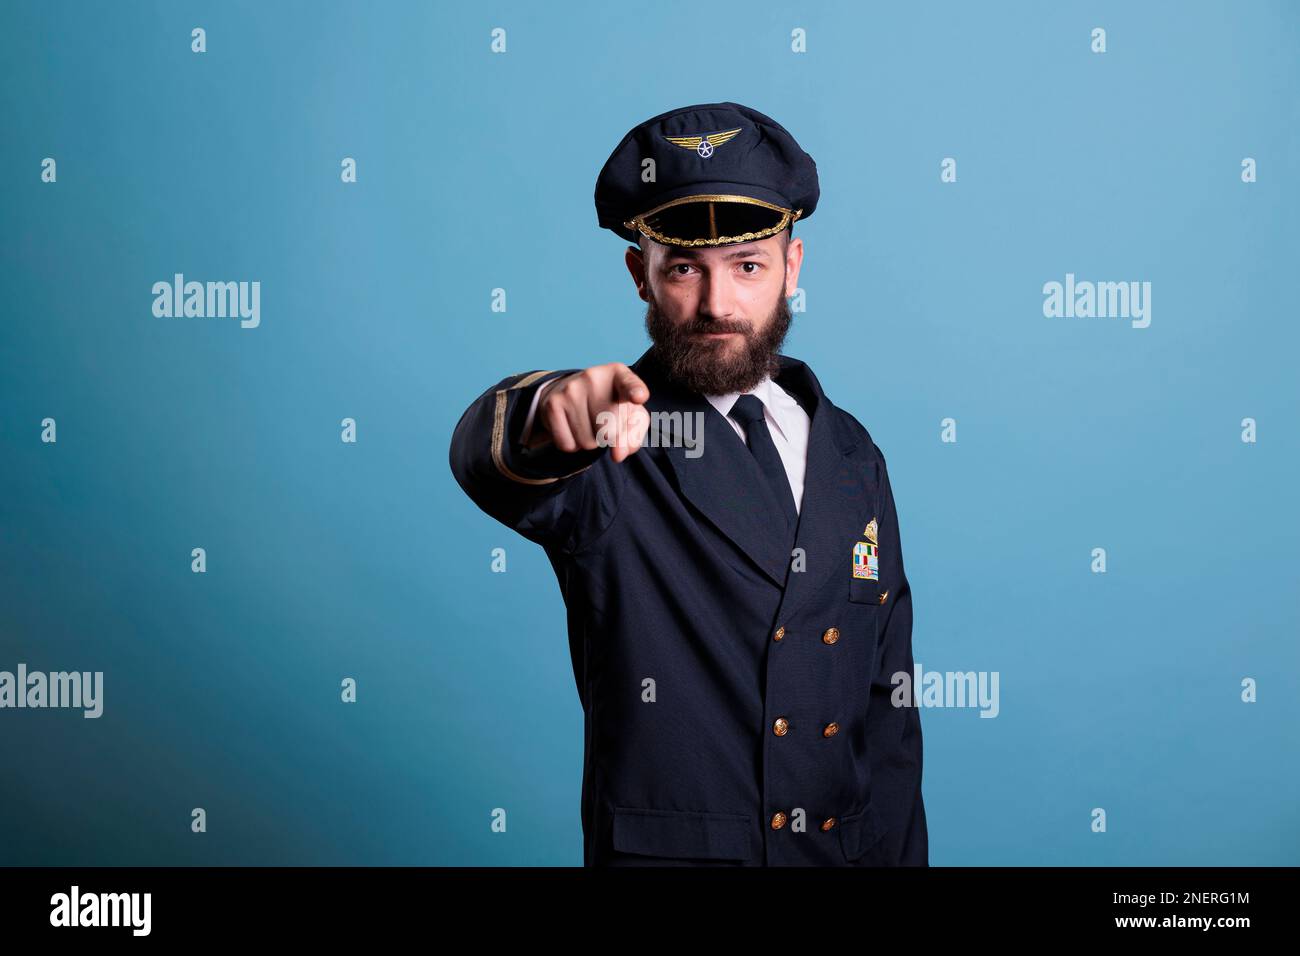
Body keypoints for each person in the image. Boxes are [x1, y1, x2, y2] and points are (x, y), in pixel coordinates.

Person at [449, 102, 927, 866]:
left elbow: (889, 717)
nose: (717, 305)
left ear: (792, 268)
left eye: (747, 266)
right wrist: (548, 407)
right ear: (641, 274)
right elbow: (489, 453)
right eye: (683, 269)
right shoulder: (612, 441)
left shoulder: (854, 456)